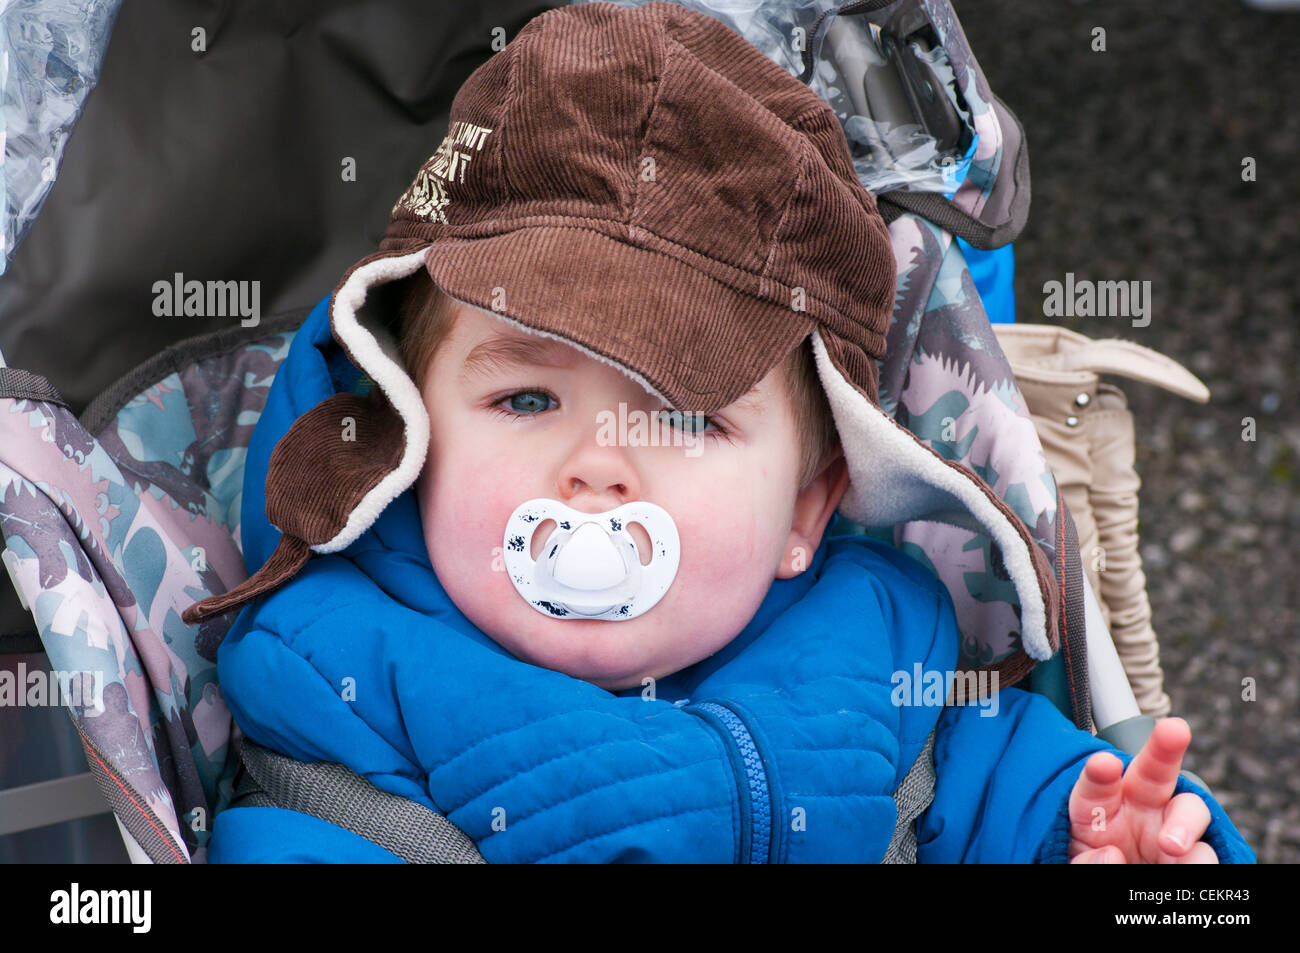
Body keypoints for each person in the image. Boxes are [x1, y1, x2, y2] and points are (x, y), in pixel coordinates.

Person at [183, 1, 1254, 863]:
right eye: (525, 399)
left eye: (686, 416)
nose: (596, 464)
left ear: (805, 507)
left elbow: (1038, 798)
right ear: (406, 447)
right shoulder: (341, 701)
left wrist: (1107, 845)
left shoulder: (896, 676)